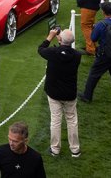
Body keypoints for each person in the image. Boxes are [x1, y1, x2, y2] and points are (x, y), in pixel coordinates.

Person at [37, 28, 81, 158]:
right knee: (72, 120)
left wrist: (50, 36)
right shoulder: (77, 55)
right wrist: (61, 38)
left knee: (56, 120)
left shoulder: (53, 52)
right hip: (69, 93)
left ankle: (55, 149)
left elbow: (40, 49)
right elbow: (65, 52)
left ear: (60, 39)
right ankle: (75, 149)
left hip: (54, 93)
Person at [79, 2, 111, 107]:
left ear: (103, 12)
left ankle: (87, 96)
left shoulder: (101, 24)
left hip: (104, 55)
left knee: (94, 74)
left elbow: (93, 38)